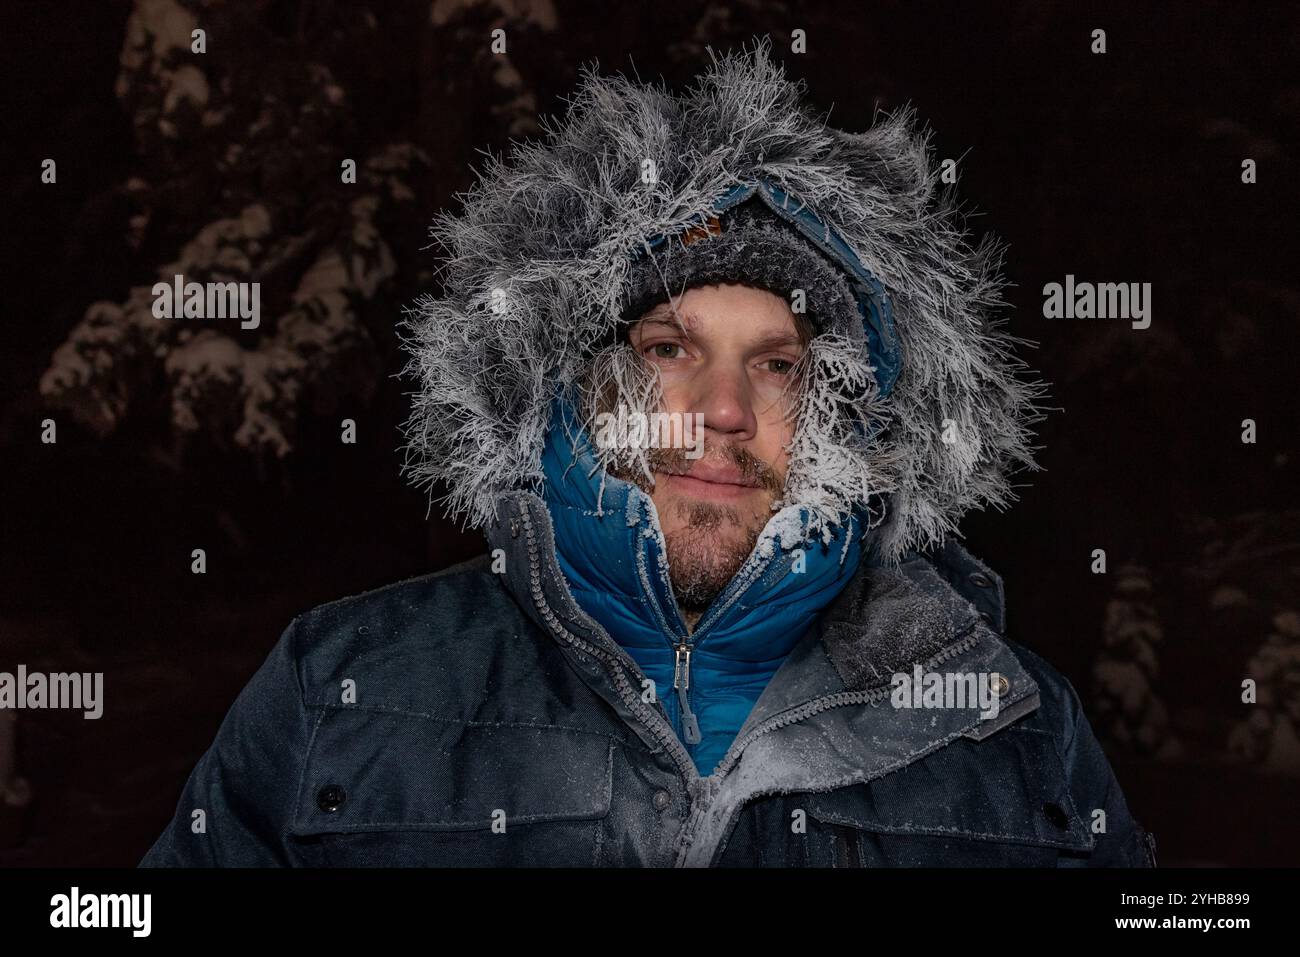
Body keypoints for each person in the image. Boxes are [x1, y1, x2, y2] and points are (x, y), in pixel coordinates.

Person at [140, 37, 1156, 867]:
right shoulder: (346, 681)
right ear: (562, 383)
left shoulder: (1010, 727)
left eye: (778, 367)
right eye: (668, 349)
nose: (721, 410)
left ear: (848, 417)